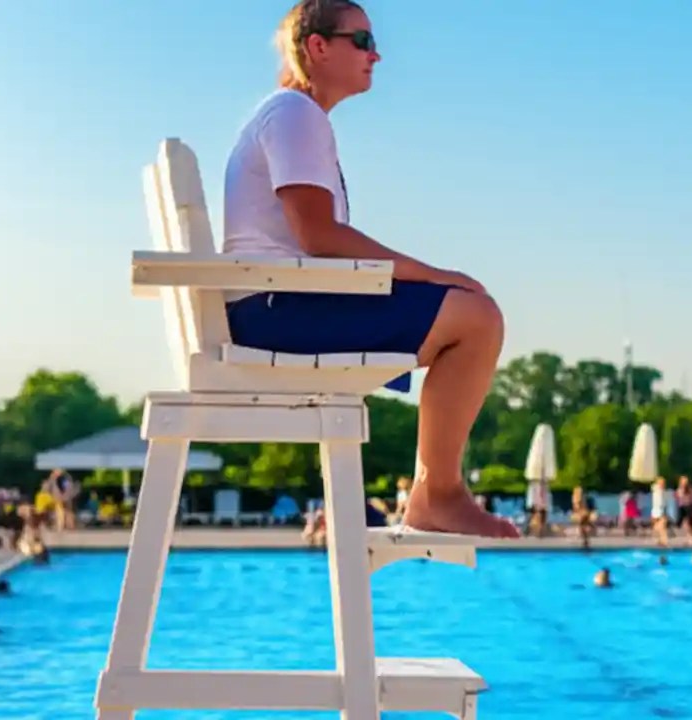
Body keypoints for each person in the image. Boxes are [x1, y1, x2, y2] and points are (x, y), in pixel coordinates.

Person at [221, 1, 516, 538]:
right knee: (475, 318)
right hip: (275, 313)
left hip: (271, 307)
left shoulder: (291, 116)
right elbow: (320, 237)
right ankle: (436, 495)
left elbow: (316, 241)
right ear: (318, 47)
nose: (375, 55)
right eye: (361, 41)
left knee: (472, 313)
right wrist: (431, 274)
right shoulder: (294, 114)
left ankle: (438, 493)